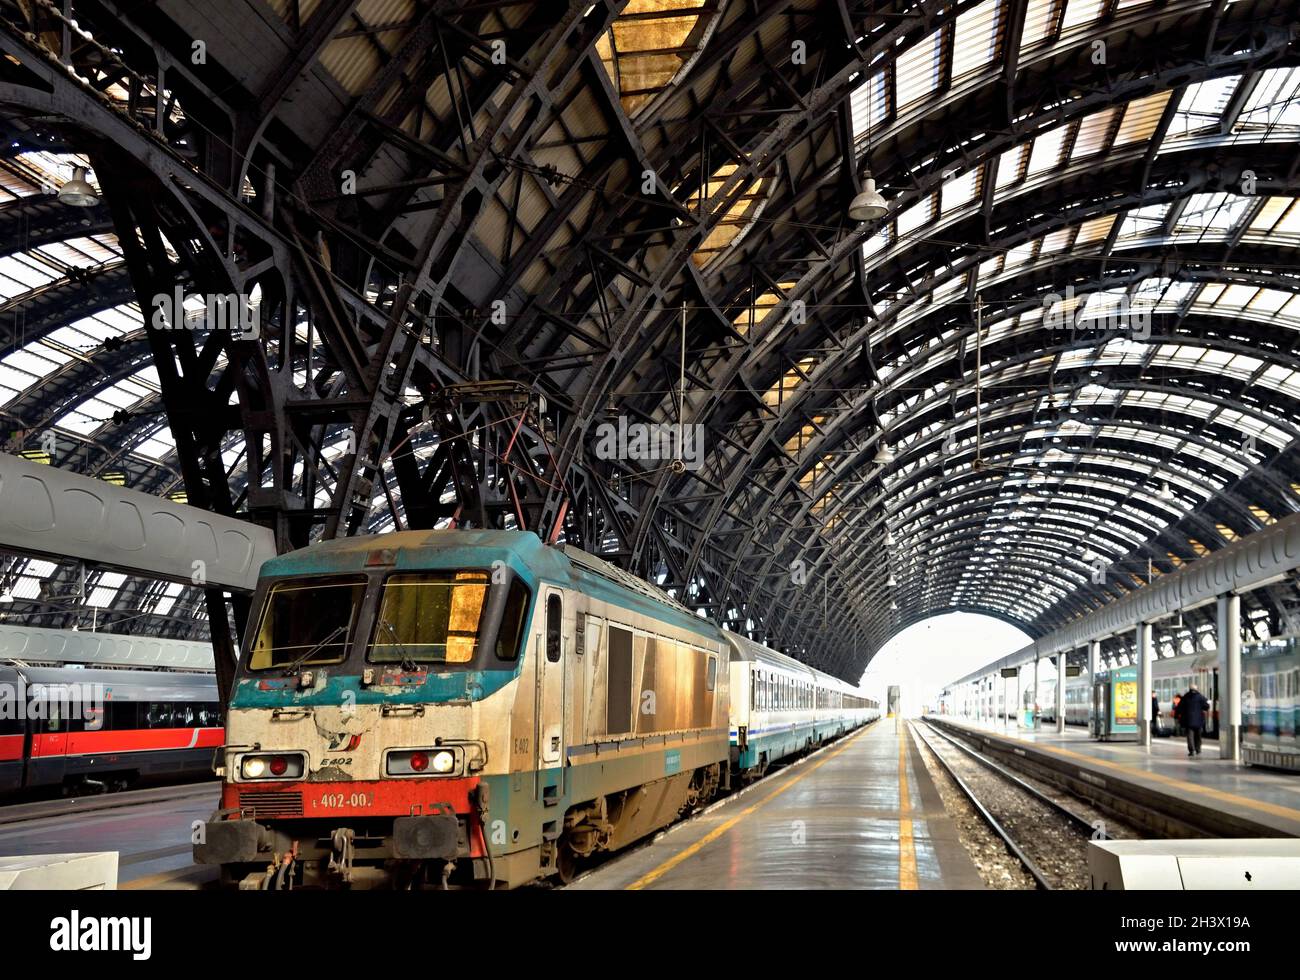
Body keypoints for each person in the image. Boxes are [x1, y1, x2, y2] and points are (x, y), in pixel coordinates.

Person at [1173, 684, 1210, 757]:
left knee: (1190, 736)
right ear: (1196, 689)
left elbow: (1179, 708)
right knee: (1198, 736)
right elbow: (1207, 706)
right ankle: (1198, 749)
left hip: (1188, 721)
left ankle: (1192, 750)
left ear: (1189, 689)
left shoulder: (1185, 697)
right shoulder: (1200, 697)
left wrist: (1177, 716)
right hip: (1199, 721)